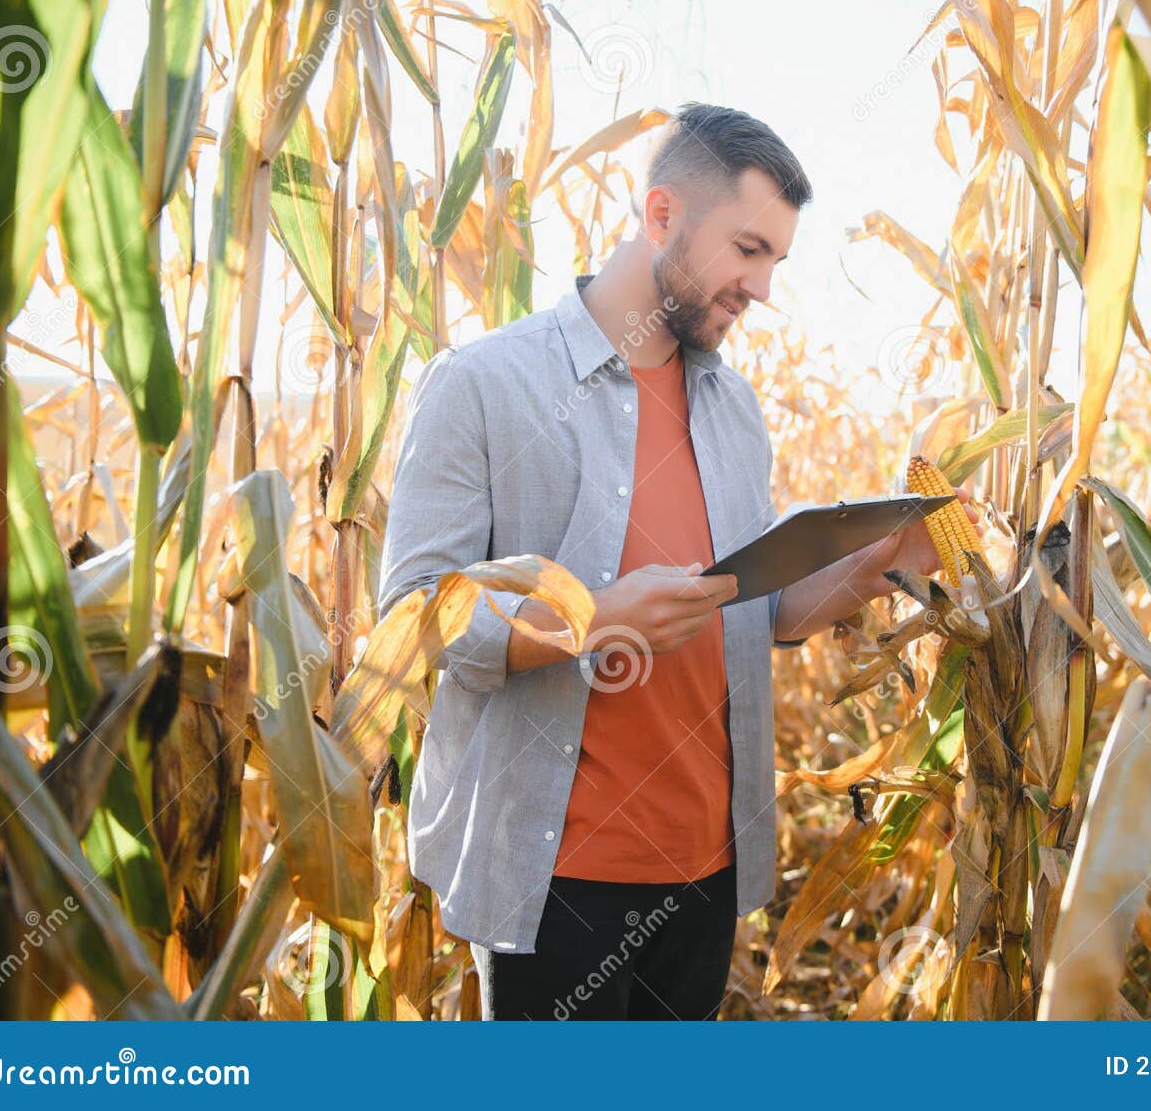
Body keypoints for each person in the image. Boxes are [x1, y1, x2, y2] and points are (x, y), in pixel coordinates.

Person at [377, 102, 977, 1020]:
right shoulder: (484, 385)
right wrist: (597, 619)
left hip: (705, 870)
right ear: (661, 217)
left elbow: (765, 612)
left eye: (775, 259)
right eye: (748, 249)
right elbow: (416, 616)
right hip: (555, 882)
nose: (763, 287)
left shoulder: (735, 410)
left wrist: (887, 557)